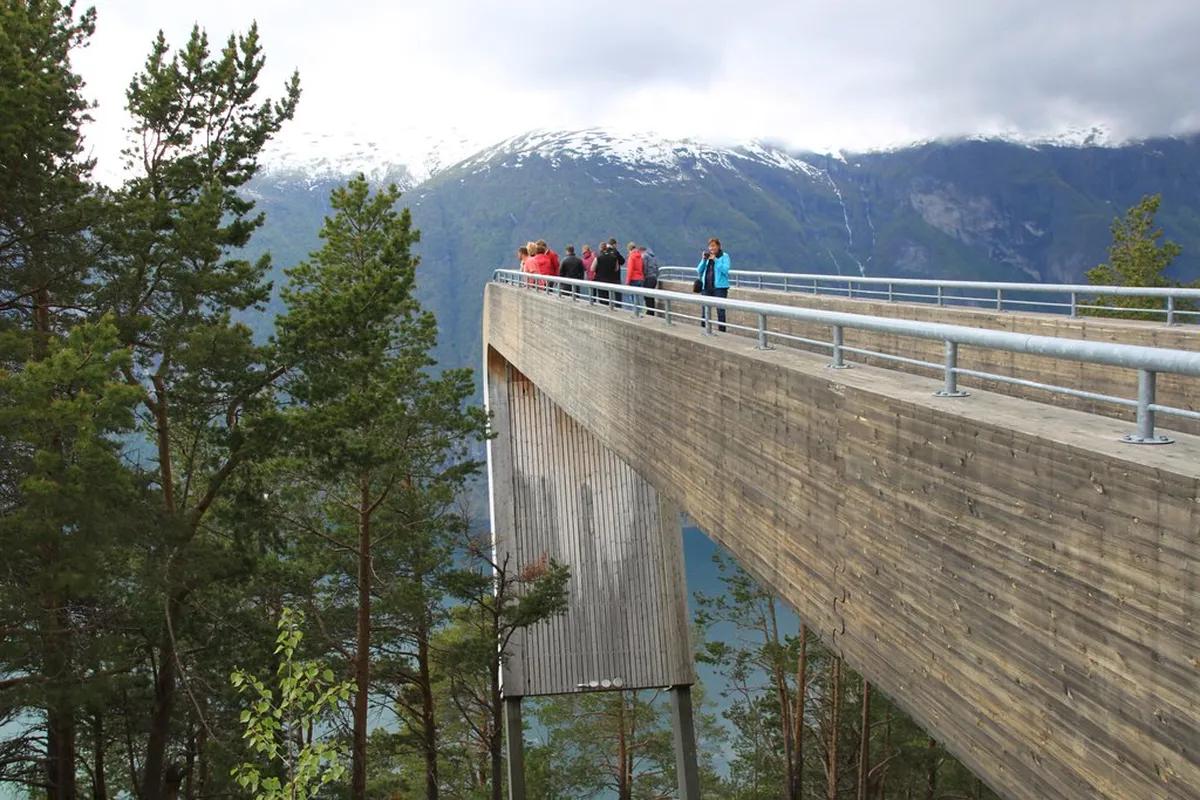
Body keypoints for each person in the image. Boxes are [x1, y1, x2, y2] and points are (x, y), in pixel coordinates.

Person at [697, 237, 731, 331]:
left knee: (720, 311)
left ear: (718, 246)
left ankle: (722, 331)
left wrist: (716, 260)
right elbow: (699, 270)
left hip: (720, 288)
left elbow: (725, 270)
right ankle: (704, 329)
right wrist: (703, 260)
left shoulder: (724, 256)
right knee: (705, 311)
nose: (711, 248)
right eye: (710, 246)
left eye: (713, 246)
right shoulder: (708, 257)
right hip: (706, 287)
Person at [625, 240, 645, 314]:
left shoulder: (631, 257)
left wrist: (627, 281)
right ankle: (640, 312)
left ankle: (636, 313)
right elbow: (642, 267)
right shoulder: (640, 256)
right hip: (641, 278)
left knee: (633, 297)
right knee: (639, 297)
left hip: (633, 279)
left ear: (629, 249)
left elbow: (630, 270)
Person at [641, 244, 660, 316]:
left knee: (647, 296)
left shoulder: (644, 256)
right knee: (651, 296)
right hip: (654, 278)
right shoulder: (653, 256)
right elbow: (657, 268)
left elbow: (644, 267)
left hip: (648, 278)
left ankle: (649, 312)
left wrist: (644, 276)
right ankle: (652, 311)